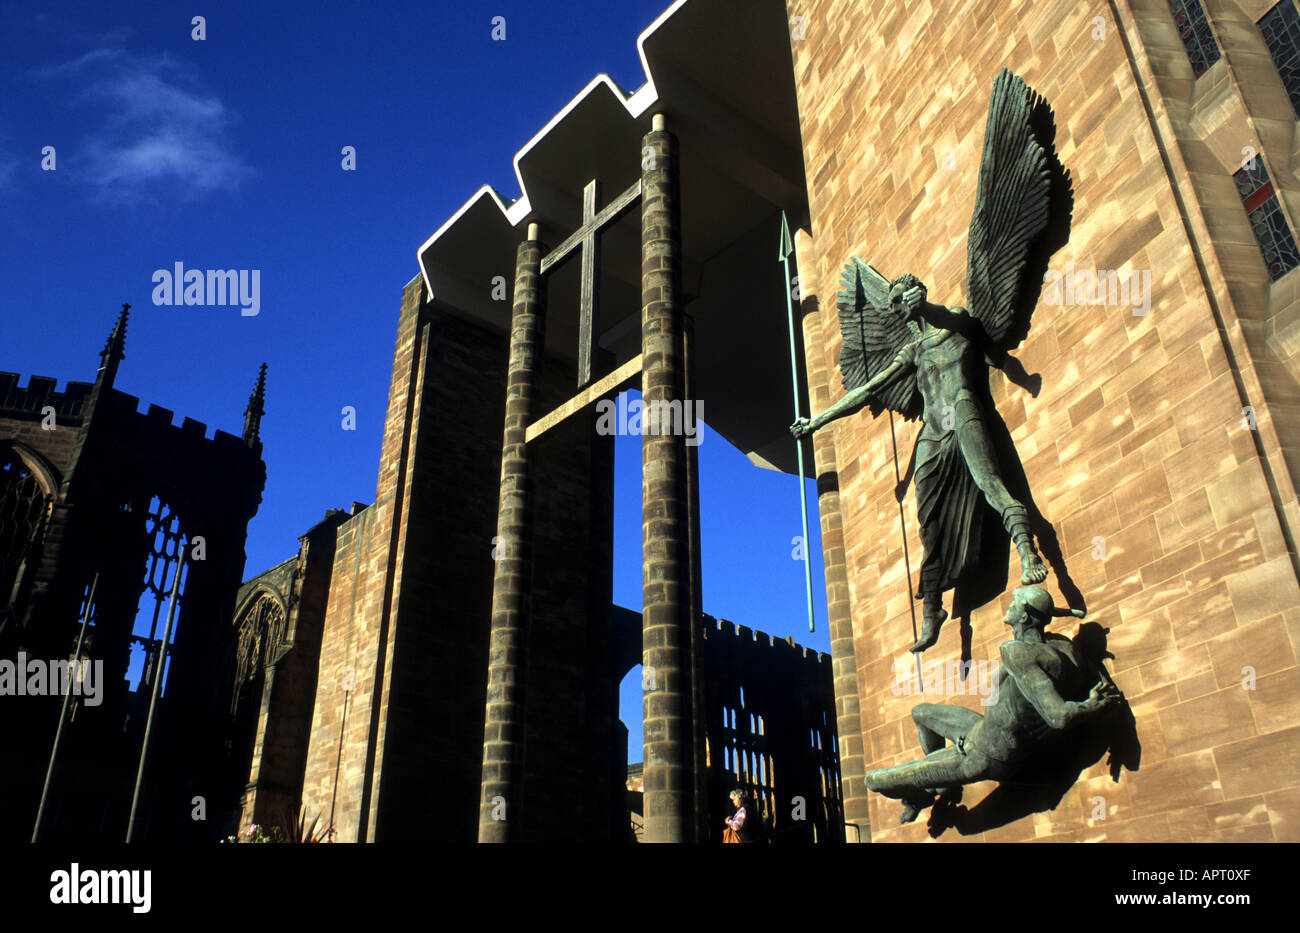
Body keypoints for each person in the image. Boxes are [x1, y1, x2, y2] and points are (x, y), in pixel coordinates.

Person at [865, 586, 1121, 824]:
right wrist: (1098, 702)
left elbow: (1059, 717)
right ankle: (940, 785)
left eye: (1015, 604)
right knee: (920, 713)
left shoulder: (1020, 652)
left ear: (1024, 617)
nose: (1009, 606)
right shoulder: (1060, 644)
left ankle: (926, 790)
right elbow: (1100, 683)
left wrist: (1092, 706)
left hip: (988, 756)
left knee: (874, 781)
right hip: (979, 731)